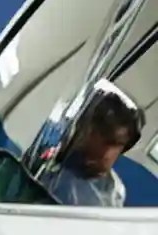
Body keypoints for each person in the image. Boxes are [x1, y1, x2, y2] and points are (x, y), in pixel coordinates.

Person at [39, 78, 144, 208]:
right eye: (105, 139)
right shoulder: (48, 164)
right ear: (86, 130)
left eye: (117, 144)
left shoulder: (114, 190)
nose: (107, 153)